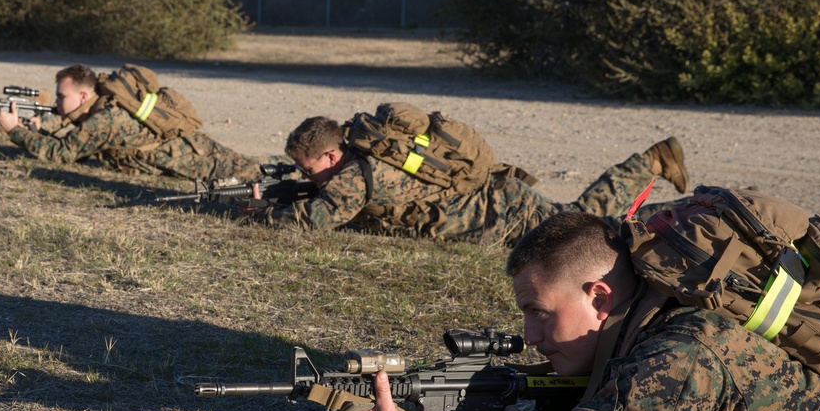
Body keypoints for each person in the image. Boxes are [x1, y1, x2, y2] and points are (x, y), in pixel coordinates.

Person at [345, 210, 820, 411]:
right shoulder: (646, 319)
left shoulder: (681, 355)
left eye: (539, 312)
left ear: (600, 296)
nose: (530, 336)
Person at [247, 115, 688, 245]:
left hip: (499, 213)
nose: (311, 177)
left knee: (587, 231)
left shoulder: (354, 176)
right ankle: (652, 170)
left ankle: (669, 211)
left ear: (331, 153)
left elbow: (312, 222)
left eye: (310, 169)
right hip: (495, 200)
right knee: (582, 223)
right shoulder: (362, 155)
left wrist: (264, 212)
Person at [0, 64, 264, 182]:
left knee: (260, 172)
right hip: (191, 152)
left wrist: (14, 130)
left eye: (61, 97)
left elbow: (61, 154)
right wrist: (38, 131)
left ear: (84, 96)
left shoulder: (104, 119)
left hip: (198, 159)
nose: (56, 103)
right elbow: (76, 148)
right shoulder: (101, 111)